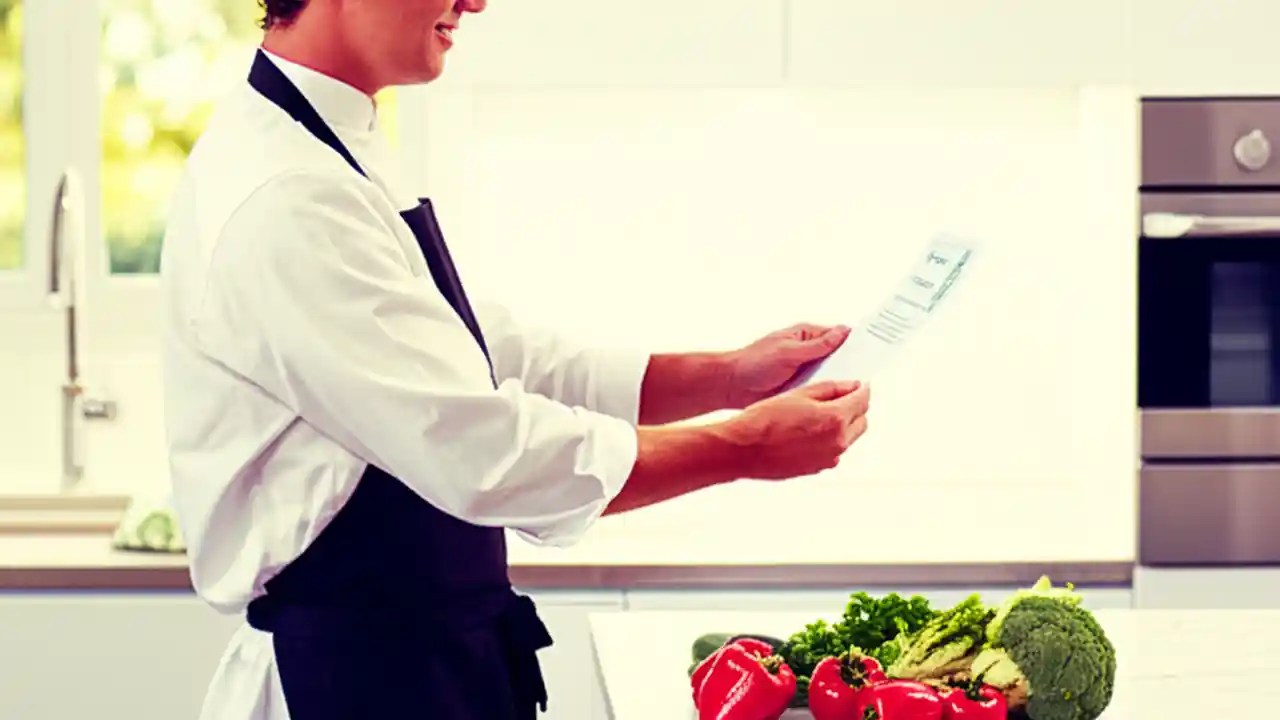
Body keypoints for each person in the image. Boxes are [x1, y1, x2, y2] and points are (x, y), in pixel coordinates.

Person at [159, 1, 872, 718]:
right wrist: (745, 447)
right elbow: (479, 448)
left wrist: (726, 377)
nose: (474, 1)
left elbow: (474, 349)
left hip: (420, 663)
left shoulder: (328, 142)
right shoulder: (286, 192)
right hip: (355, 682)